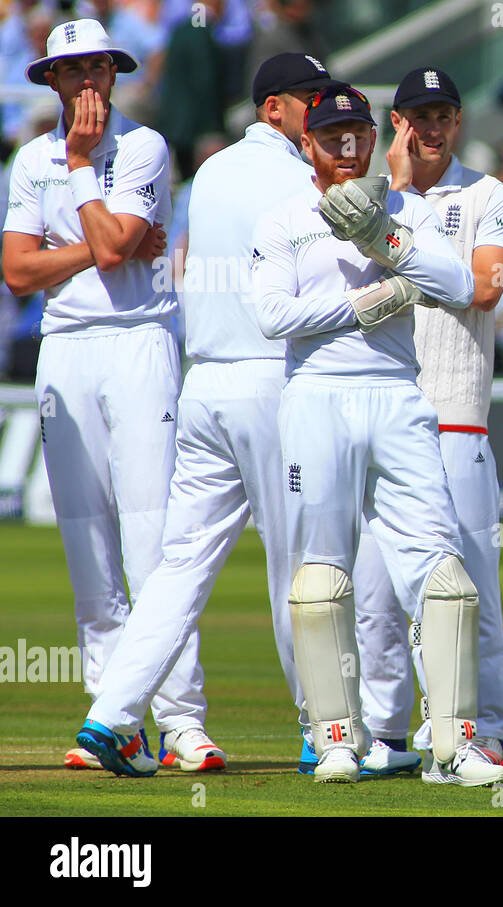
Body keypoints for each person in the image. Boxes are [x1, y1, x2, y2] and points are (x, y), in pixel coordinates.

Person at [72, 54, 339, 777]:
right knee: (301, 563)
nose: (322, 111)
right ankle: (323, 727)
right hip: (271, 381)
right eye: (309, 99)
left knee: (177, 569)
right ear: (273, 107)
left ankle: (113, 714)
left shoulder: (214, 169)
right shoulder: (300, 179)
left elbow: (186, 261)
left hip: (205, 387)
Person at [250, 82, 490, 785]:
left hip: (398, 395)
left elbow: (457, 285)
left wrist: (380, 237)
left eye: (356, 133)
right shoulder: (283, 218)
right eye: (332, 136)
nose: (347, 146)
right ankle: (333, 739)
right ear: (308, 144)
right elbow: (273, 315)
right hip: (317, 397)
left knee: (442, 574)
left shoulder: (407, 209)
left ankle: (456, 741)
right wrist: (371, 300)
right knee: (322, 573)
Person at [2, 19, 206, 772]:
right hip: (67, 349)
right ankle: (113, 721)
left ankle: (184, 721)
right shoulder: (30, 158)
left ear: (114, 76)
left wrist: (85, 170)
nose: (88, 82)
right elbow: (20, 272)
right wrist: (96, 246)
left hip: (139, 344)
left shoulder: (143, 145)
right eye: (73, 70)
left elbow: (121, 250)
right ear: (51, 80)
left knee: (154, 544)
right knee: (88, 550)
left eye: (99, 68)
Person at [345, 66, 503, 785]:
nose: (433, 127)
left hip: (456, 419)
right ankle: (388, 733)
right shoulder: (371, 193)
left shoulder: (486, 193)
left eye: (445, 112)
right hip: (380, 418)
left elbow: (482, 288)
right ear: (398, 123)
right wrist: (386, 194)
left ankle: (486, 731)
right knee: (375, 594)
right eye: (419, 116)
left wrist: (395, 236)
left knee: (467, 588)